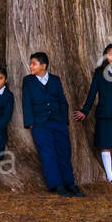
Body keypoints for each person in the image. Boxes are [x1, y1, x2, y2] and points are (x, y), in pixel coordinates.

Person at [22, 51, 84, 197]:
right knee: (48, 153)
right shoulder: (28, 81)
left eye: (34, 63)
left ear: (43, 66)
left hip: (58, 122)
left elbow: (62, 99)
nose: (31, 66)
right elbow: (26, 103)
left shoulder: (55, 80)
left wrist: (64, 119)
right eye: (30, 63)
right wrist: (30, 123)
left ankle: (70, 183)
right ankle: (57, 185)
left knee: (64, 152)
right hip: (40, 124)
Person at [75, 44, 112, 187]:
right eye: (109, 54)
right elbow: (92, 94)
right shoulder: (99, 73)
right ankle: (111, 176)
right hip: (104, 114)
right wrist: (85, 110)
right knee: (106, 145)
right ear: (105, 57)